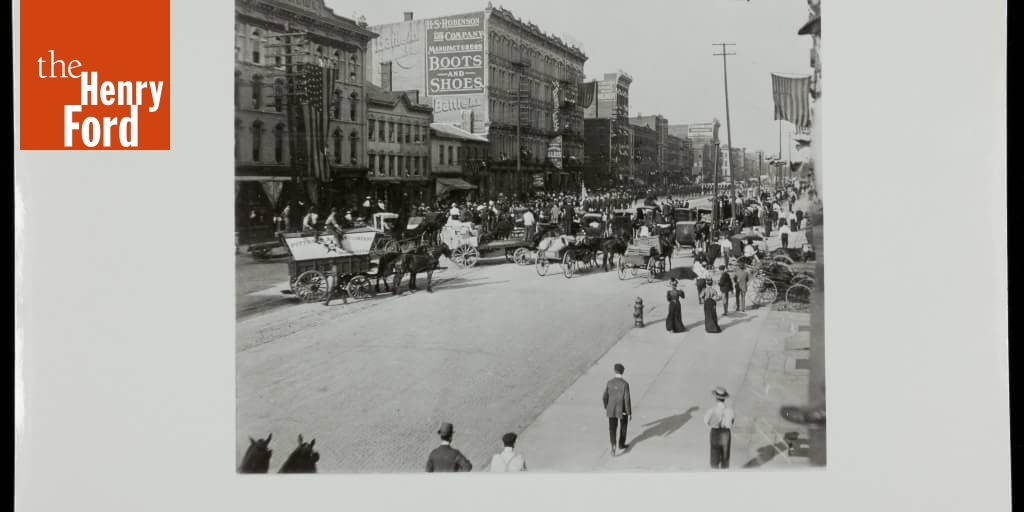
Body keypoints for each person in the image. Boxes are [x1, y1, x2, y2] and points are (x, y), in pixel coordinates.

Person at [602, 363, 632, 456]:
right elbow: (627, 399)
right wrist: (629, 412)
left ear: (615, 371)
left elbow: (604, 397)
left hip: (611, 409)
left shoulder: (609, 382)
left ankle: (613, 445)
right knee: (623, 427)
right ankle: (621, 444)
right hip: (622, 410)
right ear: (623, 372)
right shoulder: (625, 384)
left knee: (612, 428)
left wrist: (607, 406)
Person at [703, 387, 735, 469]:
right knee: (725, 456)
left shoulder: (711, 410)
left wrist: (713, 423)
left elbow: (706, 421)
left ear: (716, 398)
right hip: (726, 433)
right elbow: (731, 423)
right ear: (724, 398)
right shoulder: (729, 411)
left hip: (715, 433)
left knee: (714, 455)